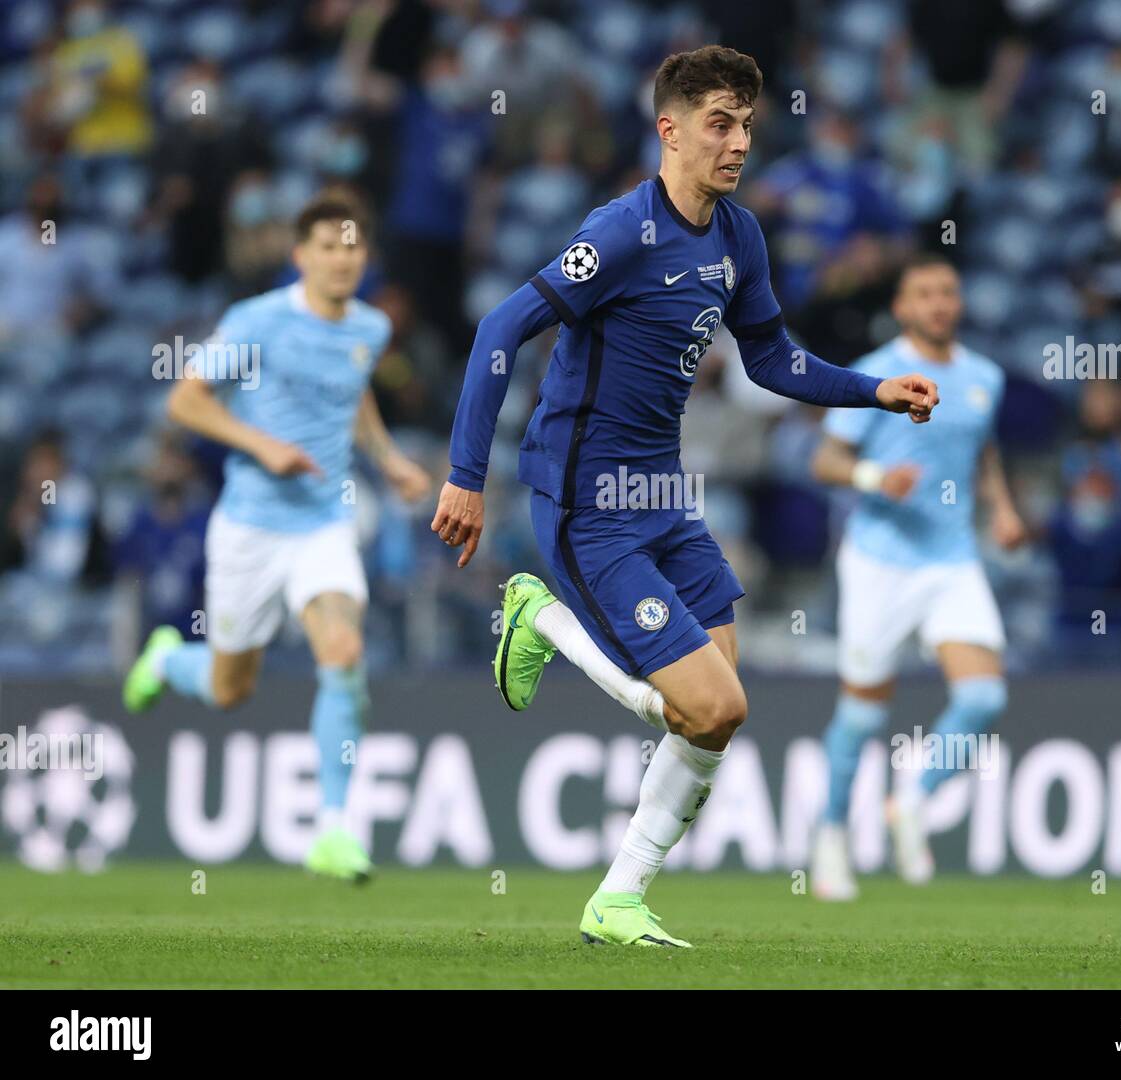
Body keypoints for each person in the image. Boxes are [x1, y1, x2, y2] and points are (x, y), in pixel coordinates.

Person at [432, 46, 939, 947]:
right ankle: (540, 618)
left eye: (746, 123)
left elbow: (773, 359)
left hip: (663, 495)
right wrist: (467, 476)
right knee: (713, 706)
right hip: (585, 501)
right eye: (718, 122)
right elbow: (501, 326)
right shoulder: (623, 232)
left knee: (710, 711)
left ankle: (616, 899)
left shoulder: (739, 235)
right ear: (669, 130)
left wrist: (874, 389)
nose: (738, 140)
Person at [121, 192, 433, 882]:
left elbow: (354, 395)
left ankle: (330, 829)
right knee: (232, 688)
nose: (342, 257)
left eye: (353, 246)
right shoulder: (258, 320)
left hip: (323, 523)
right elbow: (185, 399)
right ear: (301, 256)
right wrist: (260, 445)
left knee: (344, 649)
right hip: (251, 528)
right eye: (328, 246)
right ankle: (170, 659)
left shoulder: (371, 330)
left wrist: (388, 461)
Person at [807, 254, 1025, 896]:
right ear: (901, 307)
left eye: (948, 292)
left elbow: (982, 448)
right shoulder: (875, 372)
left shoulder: (984, 375)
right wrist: (876, 479)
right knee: (862, 715)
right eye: (924, 293)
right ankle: (830, 837)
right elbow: (826, 460)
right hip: (880, 561)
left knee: (984, 697)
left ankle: (910, 800)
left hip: (952, 559)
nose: (938, 303)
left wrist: (1004, 507)